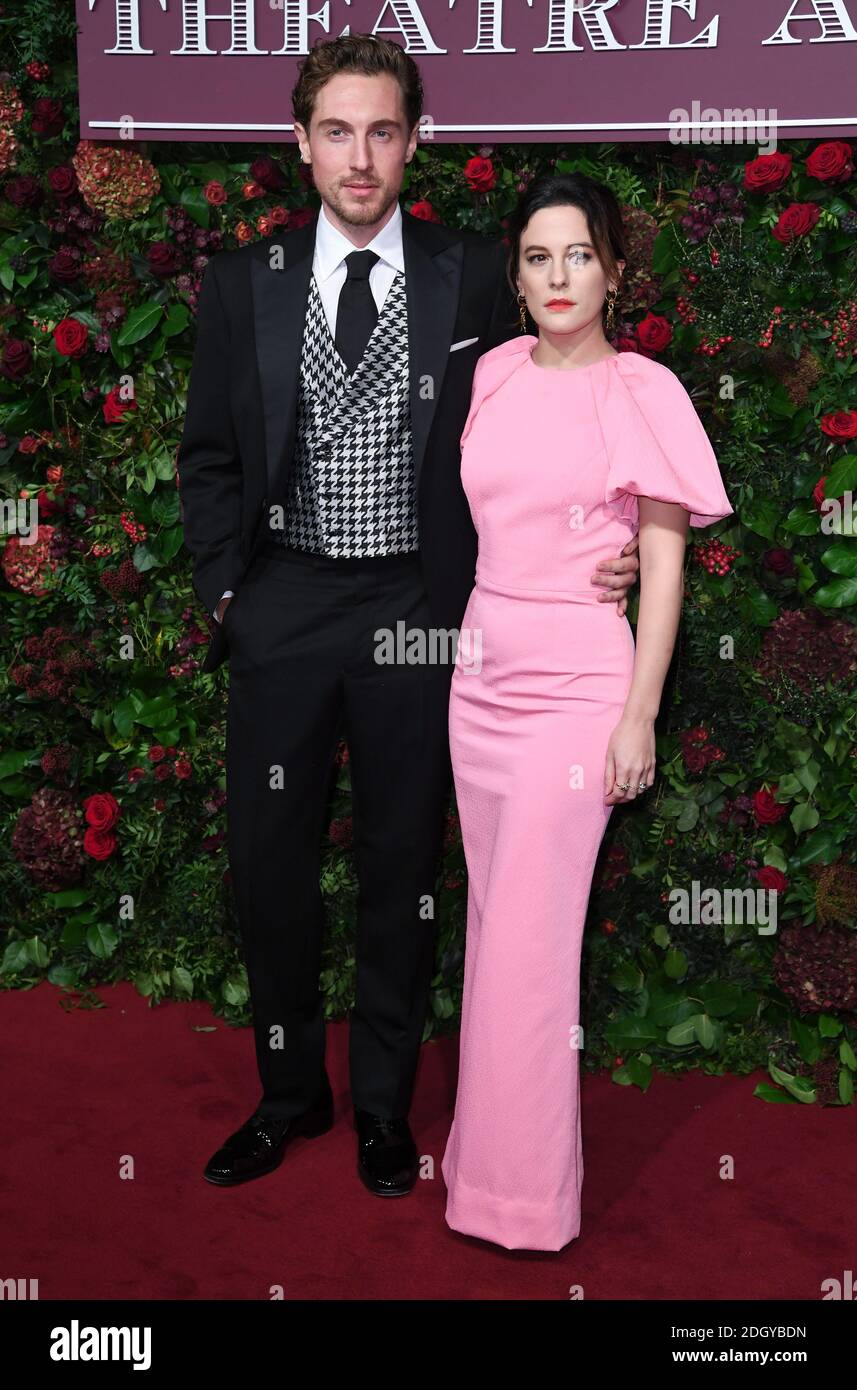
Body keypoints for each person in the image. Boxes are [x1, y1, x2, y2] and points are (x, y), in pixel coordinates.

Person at [176, 36, 639, 1199]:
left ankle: (384, 1107)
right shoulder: (243, 283)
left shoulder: (473, 273)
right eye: (337, 131)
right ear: (299, 144)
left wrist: (614, 536)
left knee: (401, 862)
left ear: (414, 139)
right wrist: (227, 589)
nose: (361, 156)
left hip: (419, 608)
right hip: (282, 599)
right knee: (269, 863)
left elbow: (565, 392)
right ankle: (289, 1097)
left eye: (383, 130)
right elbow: (209, 459)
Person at [440, 172, 734, 1251]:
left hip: (576, 688)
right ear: (514, 279)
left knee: (527, 938)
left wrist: (638, 713)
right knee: (489, 927)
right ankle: (480, 1168)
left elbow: (661, 559)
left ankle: (522, 1204)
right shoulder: (490, 376)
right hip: (477, 682)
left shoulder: (643, 390)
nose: (557, 276)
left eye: (577, 255)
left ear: (613, 269)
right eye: (535, 257)